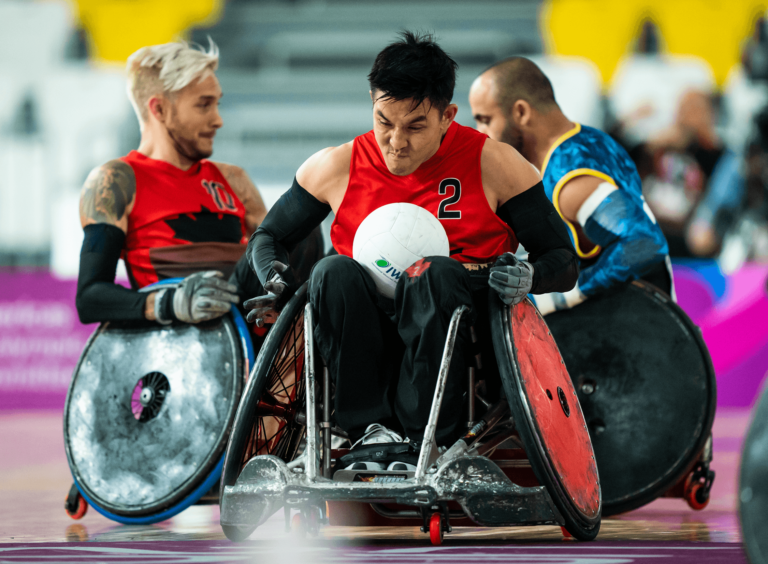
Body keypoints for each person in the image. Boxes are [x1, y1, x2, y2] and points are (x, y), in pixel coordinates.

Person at [245, 32, 578, 470]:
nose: (396, 141)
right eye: (384, 121)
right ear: (371, 103)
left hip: (461, 316)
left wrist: (528, 275)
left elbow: (563, 258)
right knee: (330, 271)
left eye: (415, 126)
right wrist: (274, 277)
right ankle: (369, 431)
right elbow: (267, 238)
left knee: (431, 273)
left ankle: (422, 436)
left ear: (447, 116)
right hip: (365, 323)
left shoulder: (497, 164)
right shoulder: (336, 165)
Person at [75, 40, 321, 329]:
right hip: (174, 329)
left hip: (244, 316)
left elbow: (278, 255)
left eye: (216, 104)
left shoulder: (233, 179)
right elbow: (90, 297)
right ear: (160, 109)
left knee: (302, 228)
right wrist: (171, 303)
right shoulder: (116, 179)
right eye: (204, 105)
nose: (218, 120)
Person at [469, 57, 673, 315]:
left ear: (520, 112)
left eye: (485, 119)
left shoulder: (572, 180)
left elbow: (643, 244)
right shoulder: (590, 138)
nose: (481, 133)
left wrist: (557, 299)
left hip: (637, 336)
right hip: (641, 327)